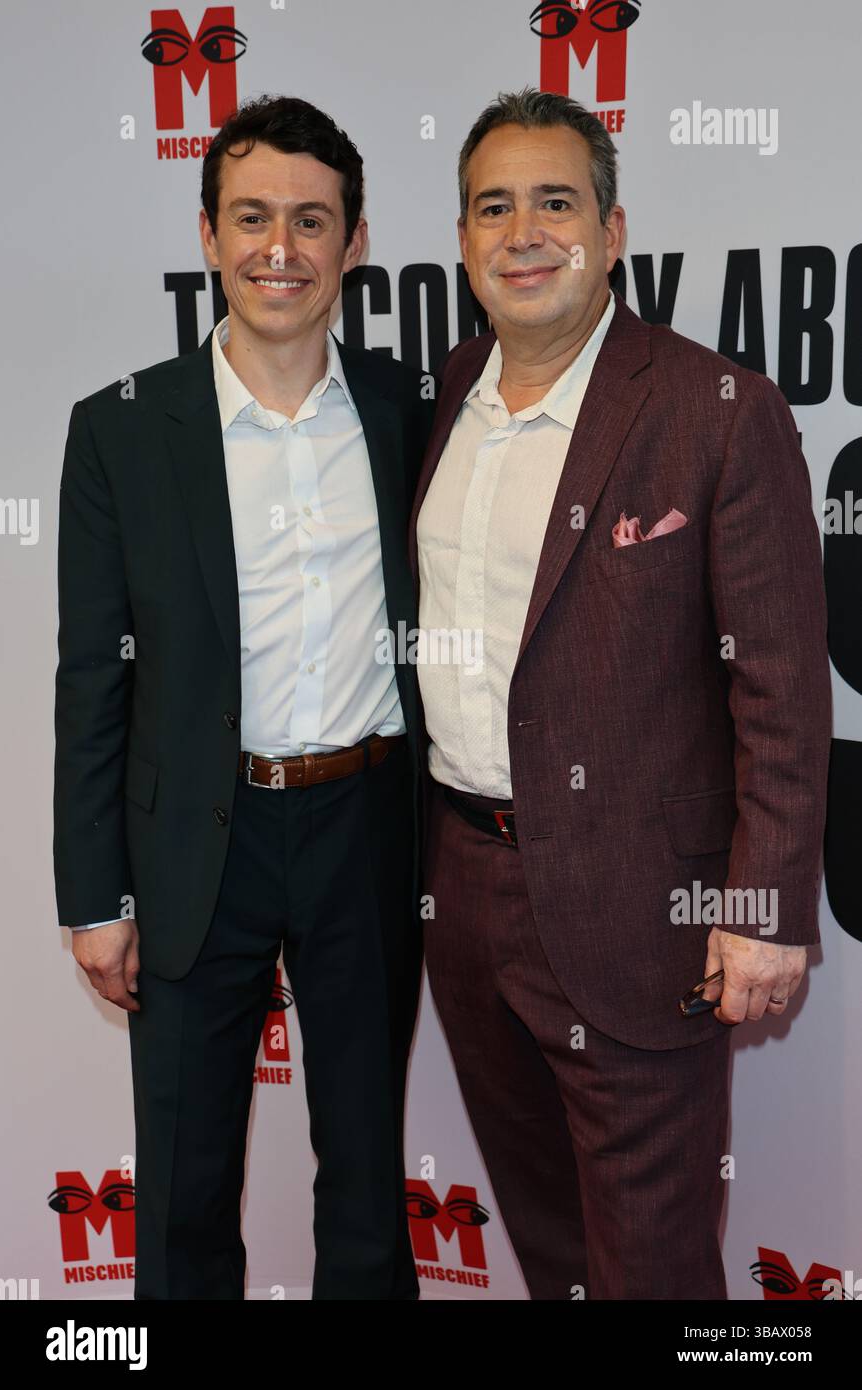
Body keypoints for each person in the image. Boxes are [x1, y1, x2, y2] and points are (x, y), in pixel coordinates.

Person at [408, 87, 832, 1300]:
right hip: (466, 889)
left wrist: (759, 903)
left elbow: (781, 687)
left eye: (555, 201)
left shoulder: (715, 409)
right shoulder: (451, 393)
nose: (523, 231)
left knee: (648, 1267)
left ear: (612, 228)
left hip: (644, 909)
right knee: (547, 1242)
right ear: (462, 240)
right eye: (493, 206)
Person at [54, 94, 434, 1300]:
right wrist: (92, 892)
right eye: (254, 216)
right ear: (209, 233)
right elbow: (90, 678)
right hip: (190, 846)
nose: (283, 246)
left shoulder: (405, 411)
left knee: (370, 1187)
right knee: (179, 1189)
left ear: (355, 243)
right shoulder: (117, 430)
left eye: (311, 220)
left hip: (366, 827)